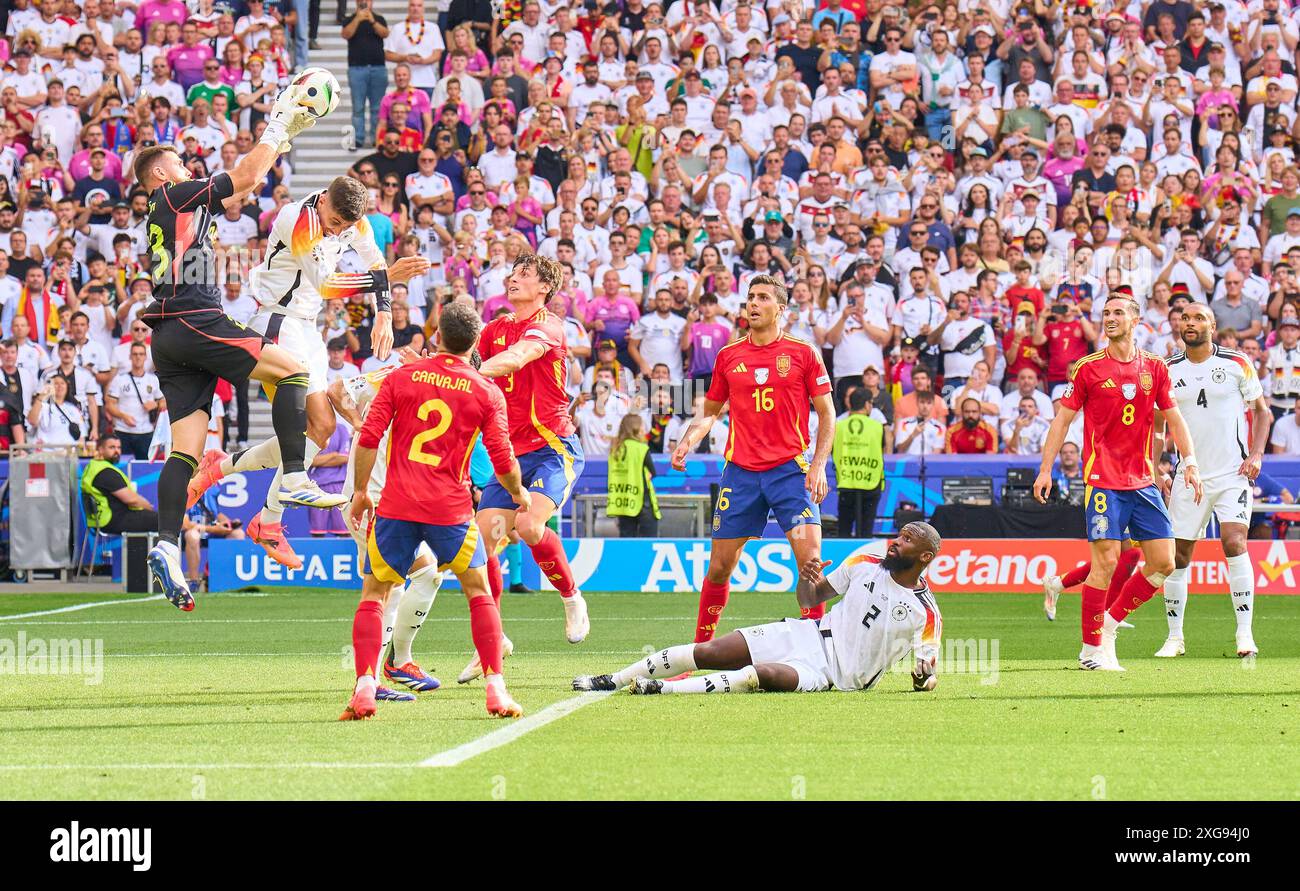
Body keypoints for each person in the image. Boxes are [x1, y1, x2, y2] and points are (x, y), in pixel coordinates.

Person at [133, 84, 326, 611]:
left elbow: (245, 184)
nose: (189, 165)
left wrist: (280, 144)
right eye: (180, 161)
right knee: (293, 370)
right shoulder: (173, 195)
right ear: (161, 175)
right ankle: (292, 477)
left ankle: (168, 547)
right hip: (194, 318)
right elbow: (244, 177)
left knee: (183, 452)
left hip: (169, 339)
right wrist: (278, 127)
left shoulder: (172, 208)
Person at [184, 177, 429, 569]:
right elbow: (329, 284)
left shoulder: (352, 221)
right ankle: (264, 515)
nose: (338, 231)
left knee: (320, 429)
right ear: (324, 202)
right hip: (276, 321)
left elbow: (375, 260)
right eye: (334, 222)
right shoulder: (298, 219)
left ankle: (228, 475)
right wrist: (386, 280)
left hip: (307, 326)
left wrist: (384, 309)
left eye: (344, 227)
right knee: (316, 424)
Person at [345, 303, 529, 720]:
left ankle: (364, 687)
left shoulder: (401, 377)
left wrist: (360, 491)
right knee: (478, 591)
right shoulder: (486, 391)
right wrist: (519, 494)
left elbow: (370, 437)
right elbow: (503, 458)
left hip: (396, 504)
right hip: (450, 508)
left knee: (374, 594)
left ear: (437, 336)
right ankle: (496, 689)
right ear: (476, 343)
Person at [1033, 294, 1202, 671]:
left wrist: (1188, 462)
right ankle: (1091, 650)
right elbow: (1061, 421)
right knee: (1106, 563)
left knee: (1164, 562)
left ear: (1136, 319)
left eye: (1117, 313)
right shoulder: (1088, 368)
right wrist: (1045, 469)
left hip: (1142, 480)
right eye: (1106, 313)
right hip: (1102, 479)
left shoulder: (1155, 368)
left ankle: (1108, 626)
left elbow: (1173, 419)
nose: (1110, 318)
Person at [573, 524, 943, 695]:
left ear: (924, 557)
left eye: (907, 540)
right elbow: (810, 600)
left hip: (834, 676)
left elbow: (929, 675)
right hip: (807, 634)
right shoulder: (866, 559)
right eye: (899, 535)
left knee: (759, 675)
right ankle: (613, 679)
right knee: (710, 651)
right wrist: (806, 577)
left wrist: (922, 678)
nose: (896, 541)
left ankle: (661, 690)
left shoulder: (926, 614)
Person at [669, 274, 836, 649]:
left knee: (810, 562)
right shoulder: (729, 356)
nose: (754, 304)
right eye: (750, 298)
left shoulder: (803, 353)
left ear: (781, 309)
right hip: (741, 474)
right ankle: (701, 649)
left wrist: (820, 464)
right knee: (720, 567)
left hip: (791, 472)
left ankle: (815, 649)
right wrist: (688, 441)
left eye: (762, 298)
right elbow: (709, 412)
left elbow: (827, 413)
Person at [461, 253, 590, 685]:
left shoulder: (550, 326)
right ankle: (493, 641)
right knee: (479, 549)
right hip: (510, 455)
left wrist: (470, 368)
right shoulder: (494, 328)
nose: (514, 279)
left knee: (531, 525)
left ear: (544, 289)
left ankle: (572, 598)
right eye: (512, 274)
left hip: (553, 447)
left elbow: (517, 358)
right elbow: (462, 355)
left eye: (525, 275)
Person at [1158, 303, 1271, 659]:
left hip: (1232, 474)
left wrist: (1255, 454)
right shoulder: (1167, 369)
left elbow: (1262, 413)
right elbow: (1159, 425)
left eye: (1198, 318)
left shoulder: (1236, 362)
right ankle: (1175, 637)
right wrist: (1158, 464)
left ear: (1212, 324)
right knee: (1178, 554)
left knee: (1234, 541)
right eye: (1185, 319)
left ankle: (1244, 634)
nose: (1190, 324)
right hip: (1189, 475)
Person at [833, 388, 887, 537]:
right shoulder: (877, 427)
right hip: (871, 482)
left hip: (846, 482)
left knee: (844, 530)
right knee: (866, 531)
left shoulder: (838, 426)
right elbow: (883, 449)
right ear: (867, 404)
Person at [81, 434, 158, 534]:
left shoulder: (94, 466)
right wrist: (150, 509)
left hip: (102, 520)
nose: (117, 451)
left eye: (119, 447)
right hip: (114, 520)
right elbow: (132, 500)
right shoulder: (106, 472)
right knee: (169, 521)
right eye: (112, 447)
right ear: (100, 449)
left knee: (166, 520)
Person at [606, 413, 660, 537]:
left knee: (627, 544)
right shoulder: (641, 448)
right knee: (648, 544)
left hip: (622, 503)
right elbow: (653, 472)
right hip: (643, 502)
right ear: (636, 428)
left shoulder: (615, 449)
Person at [104, 343, 160, 460]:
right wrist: (123, 416)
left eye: (141, 354)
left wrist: (155, 404)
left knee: (145, 468)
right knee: (121, 465)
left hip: (145, 431)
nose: (138, 357)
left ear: (145, 357)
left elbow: (164, 402)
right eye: (134, 354)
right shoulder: (119, 379)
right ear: (130, 356)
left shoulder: (153, 380)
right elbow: (110, 404)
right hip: (123, 430)